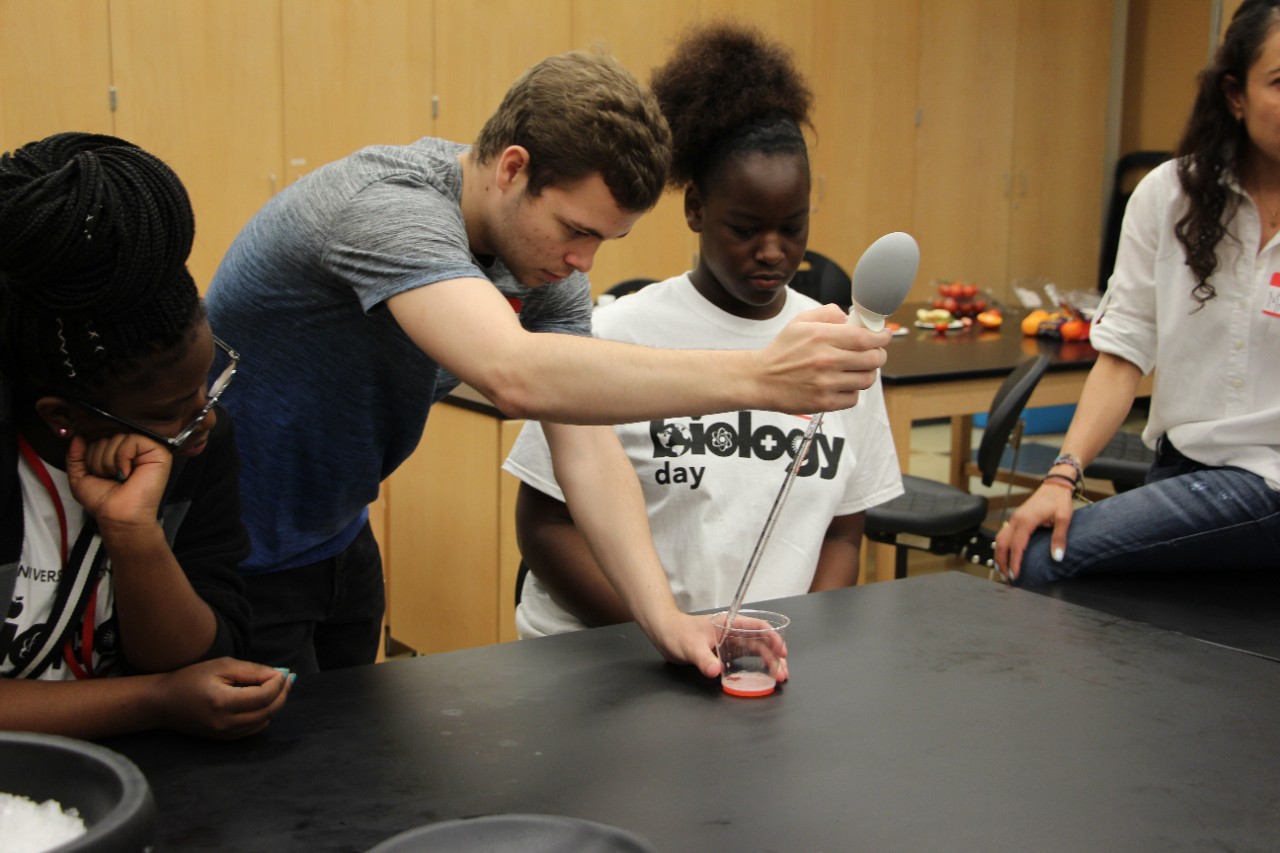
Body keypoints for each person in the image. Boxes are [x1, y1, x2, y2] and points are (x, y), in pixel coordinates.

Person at [205, 48, 890, 674]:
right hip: (232, 549)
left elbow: (586, 444)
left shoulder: (545, 266)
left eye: (605, 240)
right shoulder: (389, 210)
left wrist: (667, 621)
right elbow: (516, 374)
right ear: (512, 168)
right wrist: (759, 377)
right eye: (577, 230)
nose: (582, 264)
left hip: (335, 535)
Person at [503, 23, 903, 639]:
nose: (773, 251)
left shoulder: (838, 349)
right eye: (745, 228)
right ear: (695, 209)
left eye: (793, 227)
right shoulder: (609, 333)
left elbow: (845, 530)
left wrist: (792, 638)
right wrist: (668, 635)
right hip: (609, 657)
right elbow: (544, 526)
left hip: (758, 666)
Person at [0, 133, 290, 739]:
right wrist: (152, 700)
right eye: (169, 411)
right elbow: (174, 688)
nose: (204, 418)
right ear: (64, 415)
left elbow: (202, 660)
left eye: (208, 386)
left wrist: (134, 536)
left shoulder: (198, 448)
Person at [996, 0, 1280, 585]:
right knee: (1040, 548)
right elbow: (1123, 355)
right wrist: (1061, 478)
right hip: (1182, 472)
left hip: (1269, 481)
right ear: (1235, 94)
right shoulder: (1169, 195)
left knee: (1039, 567)